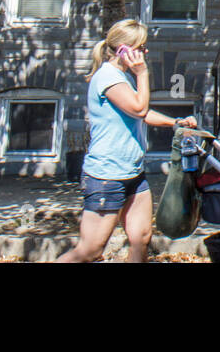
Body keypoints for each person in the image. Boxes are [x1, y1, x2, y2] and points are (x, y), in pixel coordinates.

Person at [58, 19, 196, 262]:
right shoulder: (109, 77)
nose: (145, 52)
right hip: (107, 175)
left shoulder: (122, 77)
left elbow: (140, 113)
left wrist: (175, 123)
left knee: (141, 238)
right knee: (90, 251)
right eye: (141, 47)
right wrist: (142, 72)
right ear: (124, 49)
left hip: (132, 173)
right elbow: (140, 109)